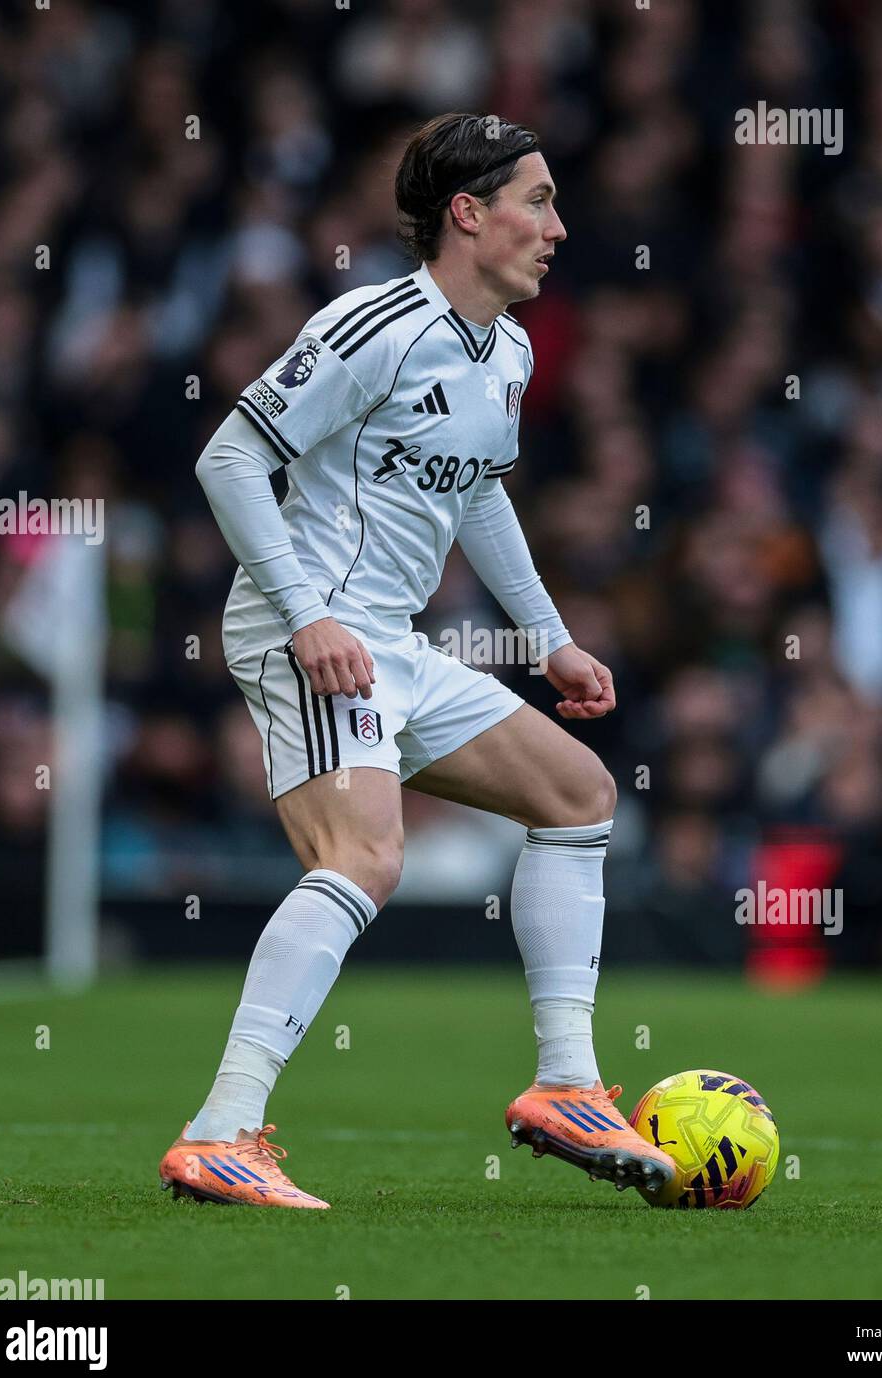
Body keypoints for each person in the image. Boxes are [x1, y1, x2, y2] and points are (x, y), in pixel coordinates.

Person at [158, 112, 673, 1208]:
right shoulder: (373, 324)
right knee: (366, 855)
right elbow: (231, 454)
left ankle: (566, 1085)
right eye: (535, 202)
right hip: (313, 632)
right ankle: (221, 1128)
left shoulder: (510, 349)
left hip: (392, 642)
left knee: (577, 793)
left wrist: (549, 639)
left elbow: (475, 490)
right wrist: (305, 614)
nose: (557, 227)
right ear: (467, 212)